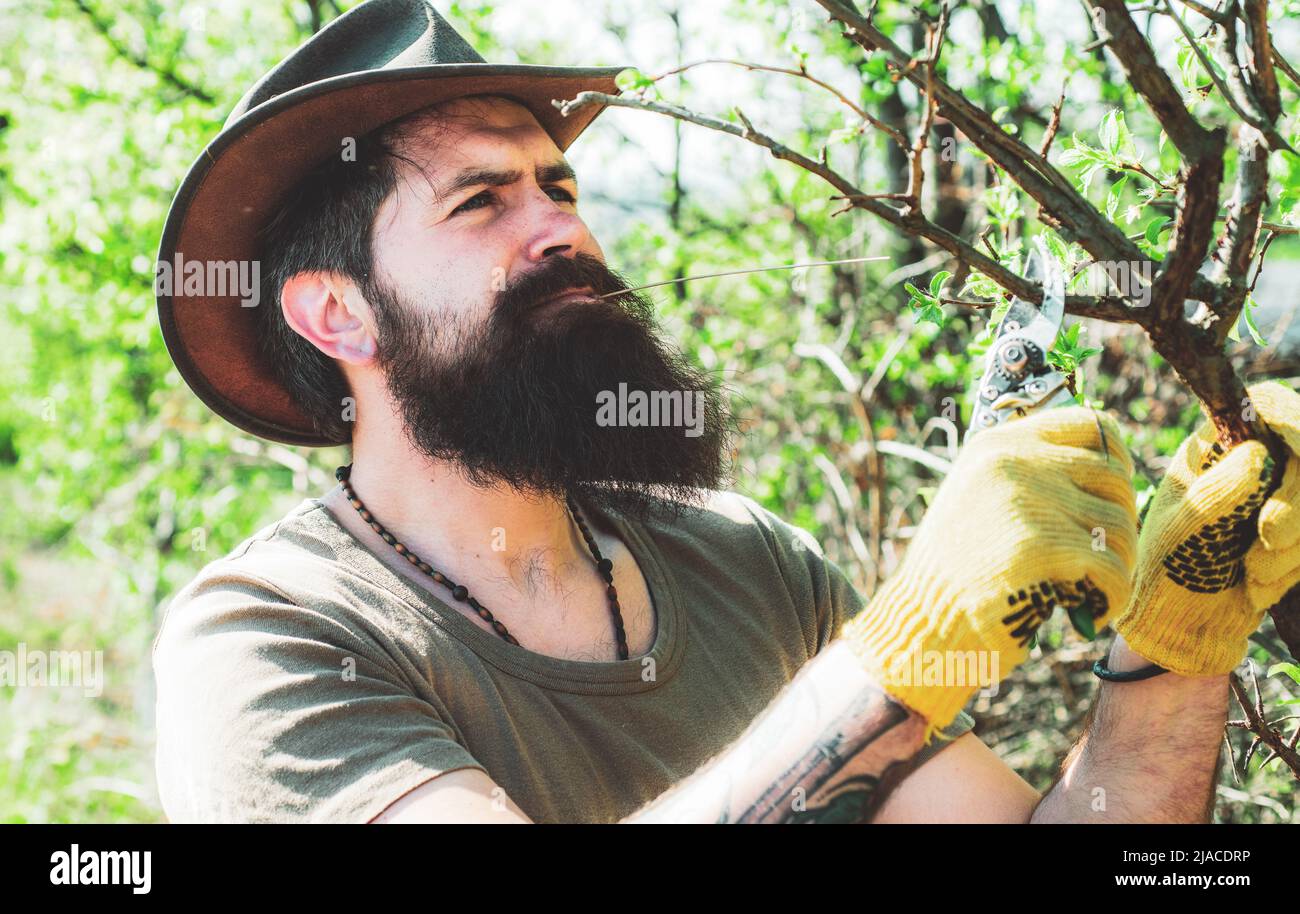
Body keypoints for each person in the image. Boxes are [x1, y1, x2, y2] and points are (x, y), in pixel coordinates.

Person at [151, 0, 1300, 824]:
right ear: (336, 313)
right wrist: (904, 656)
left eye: (559, 186)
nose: (559, 228)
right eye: (479, 201)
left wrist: (1173, 640)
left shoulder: (747, 566)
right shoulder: (273, 642)